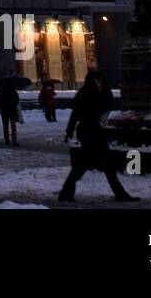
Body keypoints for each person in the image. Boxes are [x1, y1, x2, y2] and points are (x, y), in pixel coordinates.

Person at [58, 71, 137, 203]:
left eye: (100, 81)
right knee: (90, 166)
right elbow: (75, 114)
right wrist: (69, 131)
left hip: (95, 132)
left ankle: (66, 193)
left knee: (99, 165)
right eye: (96, 81)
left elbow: (106, 104)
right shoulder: (85, 94)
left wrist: (103, 89)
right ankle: (120, 194)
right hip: (88, 132)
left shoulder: (98, 93)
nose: (98, 83)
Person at [0, 78, 21, 146]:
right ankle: (14, 141)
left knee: (5, 126)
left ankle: (7, 140)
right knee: (13, 126)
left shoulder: (1, 90)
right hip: (12, 111)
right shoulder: (13, 90)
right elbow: (17, 99)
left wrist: (1, 106)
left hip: (4, 111)